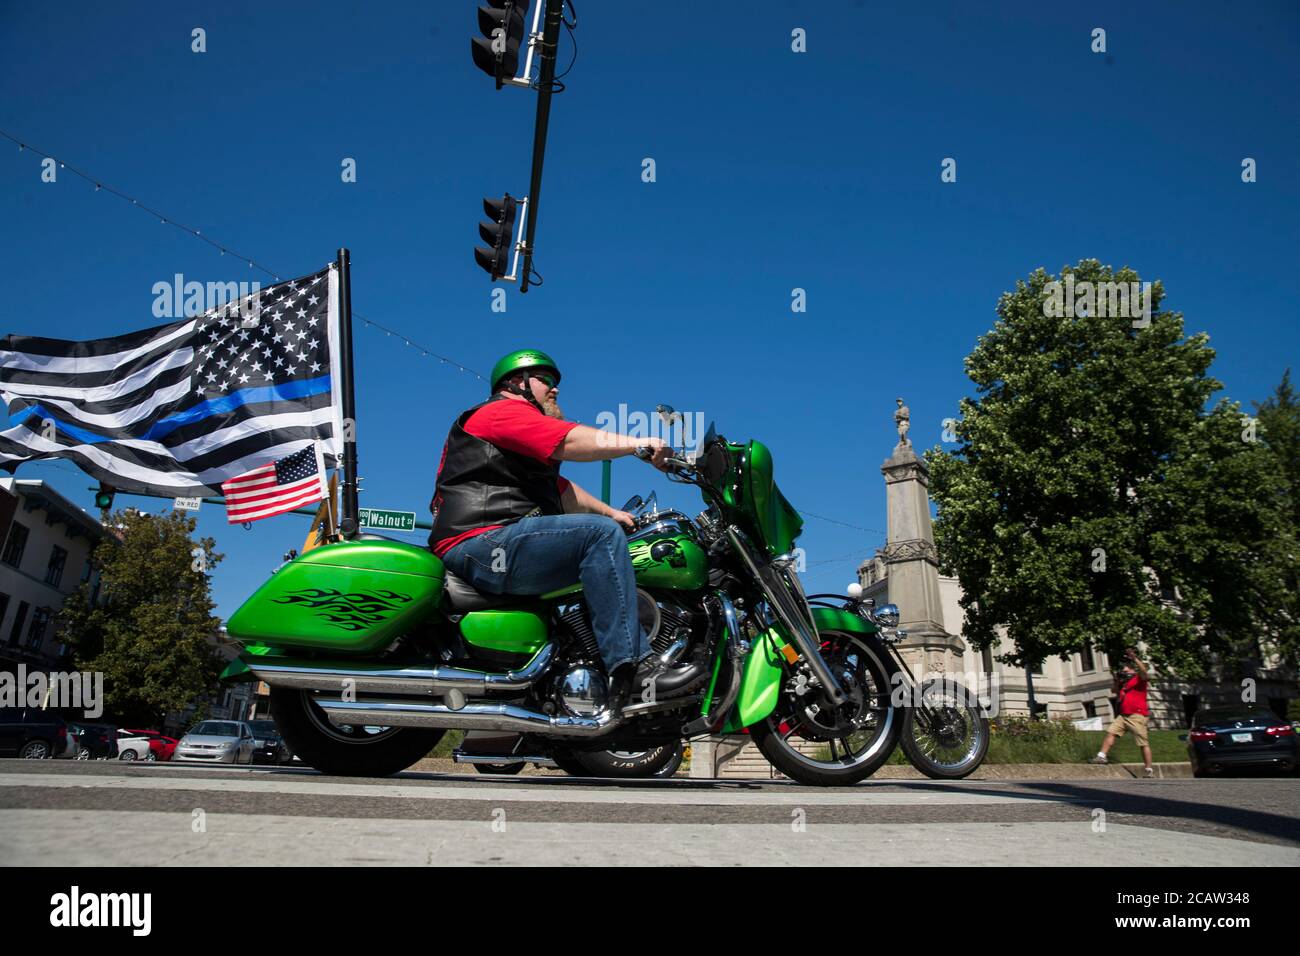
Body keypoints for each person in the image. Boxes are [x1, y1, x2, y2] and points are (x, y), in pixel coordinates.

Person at [427, 348, 672, 712]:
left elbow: (561, 492)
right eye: (546, 381)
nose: (555, 390)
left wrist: (612, 513)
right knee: (598, 536)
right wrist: (637, 443)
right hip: (480, 541)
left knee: (602, 529)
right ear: (515, 383)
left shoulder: (515, 446)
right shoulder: (499, 412)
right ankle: (632, 665)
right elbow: (567, 440)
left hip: (497, 539)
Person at [1090, 648, 1154, 777]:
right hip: (1123, 715)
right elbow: (1114, 691)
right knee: (1111, 732)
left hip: (1137, 715)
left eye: (1127, 669)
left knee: (1143, 743)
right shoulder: (1125, 683)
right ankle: (1101, 756)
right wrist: (1116, 680)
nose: (1125, 671)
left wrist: (1134, 658)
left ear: (1133, 669)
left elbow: (1144, 671)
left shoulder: (1140, 679)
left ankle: (1148, 770)